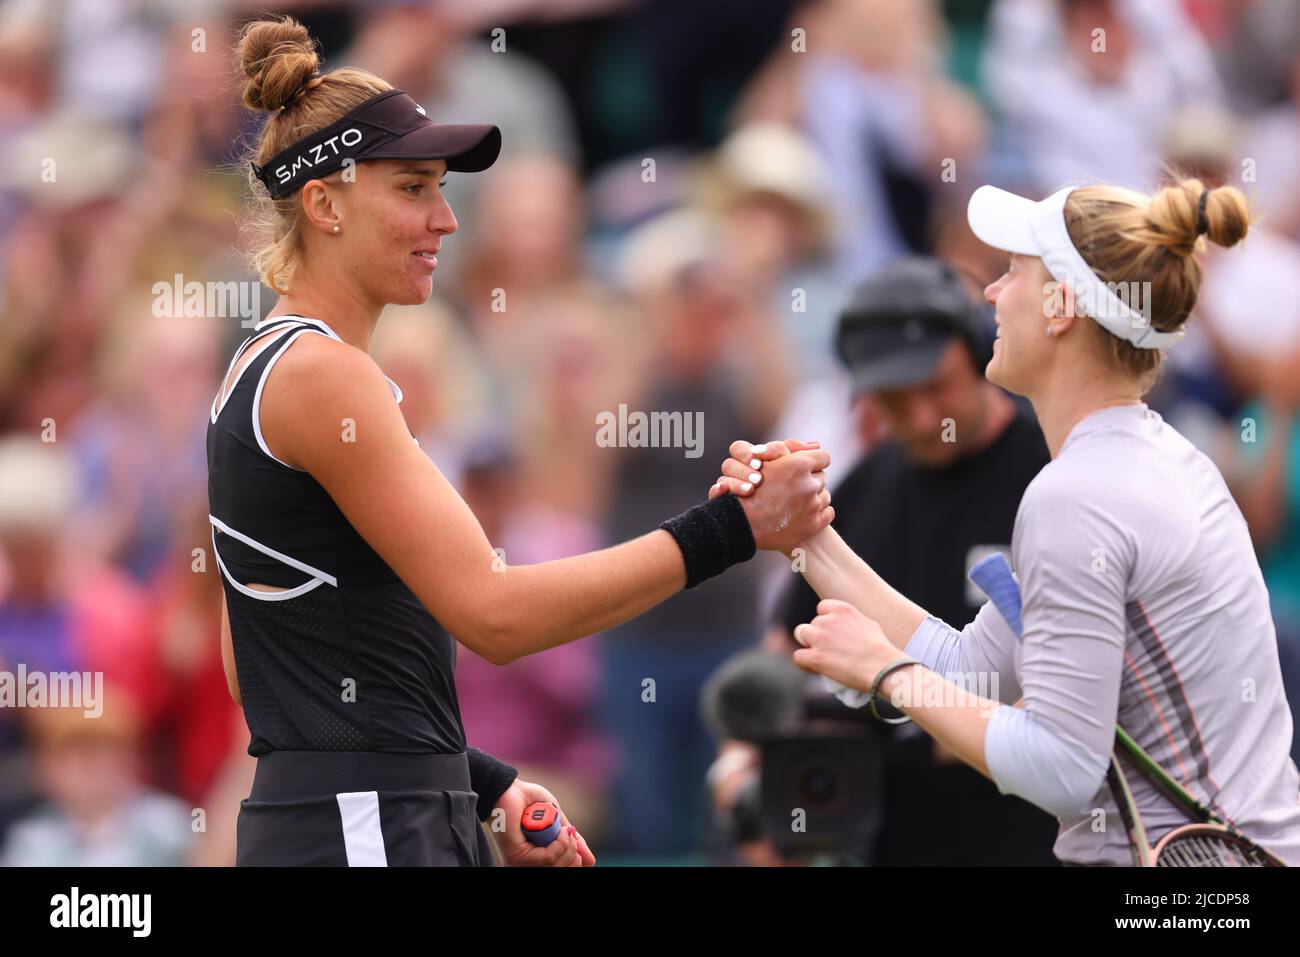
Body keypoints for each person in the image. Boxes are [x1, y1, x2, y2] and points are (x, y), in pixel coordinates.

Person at [211, 16, 831, 867]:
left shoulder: (266, 367)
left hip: (358, 815)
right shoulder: (325, 376)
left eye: (441, 189)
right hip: (365, 824)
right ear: (324, 205)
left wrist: (476, 779)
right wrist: (734, 528)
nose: (445, 219)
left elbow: (264, 665)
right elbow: (495, 615)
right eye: (413, 188)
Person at [713, 178, 1300, 865]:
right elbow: (972, 669)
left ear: (1061, 307)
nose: (991, 293)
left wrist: (887, 672)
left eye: (1014, 271)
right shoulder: (1132, 463)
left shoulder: (1078, 495)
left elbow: (1061, 767)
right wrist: (803, 536)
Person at [713, 256, 1058, 865]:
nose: (921, 417)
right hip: (891, 839)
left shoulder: (1052, 478)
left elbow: (1075, 703)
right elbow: (786, 645)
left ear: (980, 351)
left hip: (1035, 841)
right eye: (894, 400)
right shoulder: (863, 489)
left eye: (936, 386)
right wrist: (745, 766)